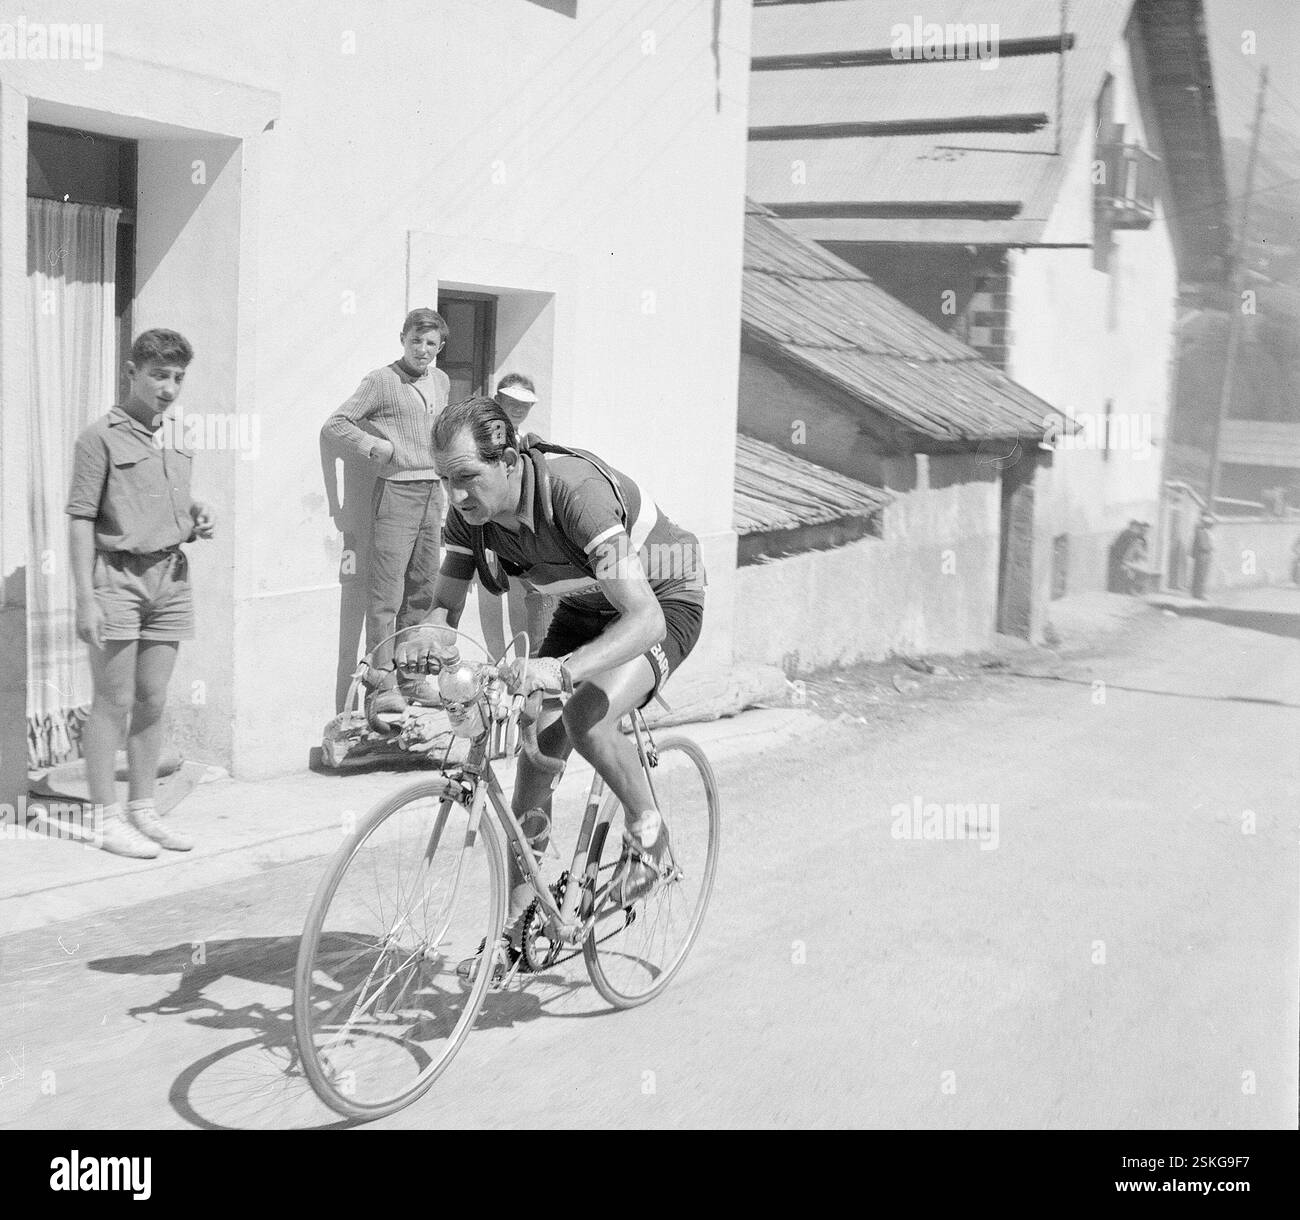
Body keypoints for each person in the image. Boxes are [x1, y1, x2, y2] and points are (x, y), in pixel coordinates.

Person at [396, 395, 706, 983]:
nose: (455, 496)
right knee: (538, 752)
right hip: (587, 604)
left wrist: (562, 671)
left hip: (661, 600)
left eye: (466, 478)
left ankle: (652, 841)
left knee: (586, 719)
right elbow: (445, 605)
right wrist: (423, 640)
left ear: (509, 459)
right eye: (443, 480)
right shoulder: (471, 517)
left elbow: (644, 621)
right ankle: (522, 916)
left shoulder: (573, 493)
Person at [66, 329, 215, 858]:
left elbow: (166, 503)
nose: (169, 387)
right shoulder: (98, 438)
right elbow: (82, 520)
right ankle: (106, 817)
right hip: (117, 580)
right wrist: (85, 598)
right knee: (113, 701)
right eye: (159, 375)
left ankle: (143, 809)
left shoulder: (176, 434)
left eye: (177, 377)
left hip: (170, 577)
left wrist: (195, 516)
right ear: (132, 373)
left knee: (153, 699)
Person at [322, 308, 450, 726]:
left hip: (434, 492)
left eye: (431, 344)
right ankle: (381, 687)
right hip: (395, 493)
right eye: (417, 341)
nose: (423, 350)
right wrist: (374, 447)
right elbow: (335, 425)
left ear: (439, 348)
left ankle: (411, 677)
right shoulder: (381, 380)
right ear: (403, 339)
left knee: (421, 590)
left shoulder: (442, 381)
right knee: (386, 595)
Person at [476, 373, 549, 659]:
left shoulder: (526, 440)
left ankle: (522, 664)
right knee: (492, 597)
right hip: (487, 526)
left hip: (517, 530)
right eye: (512, 401)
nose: (518, 408)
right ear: (498, 400)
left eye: (525, 403)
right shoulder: (483, 437)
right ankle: (496, 664)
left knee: (521, 598)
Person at [1191, 514, 1215, 600]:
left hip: (1206, 554)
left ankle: (1198, 593)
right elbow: (1203, 545)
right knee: (1201, 574)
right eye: (1209, 524)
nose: (1211, 526)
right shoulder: (1201, 532)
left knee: (1202, 574)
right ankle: (1198, 594)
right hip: (1203, 554)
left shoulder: (1207, 532)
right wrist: (1210, 548)